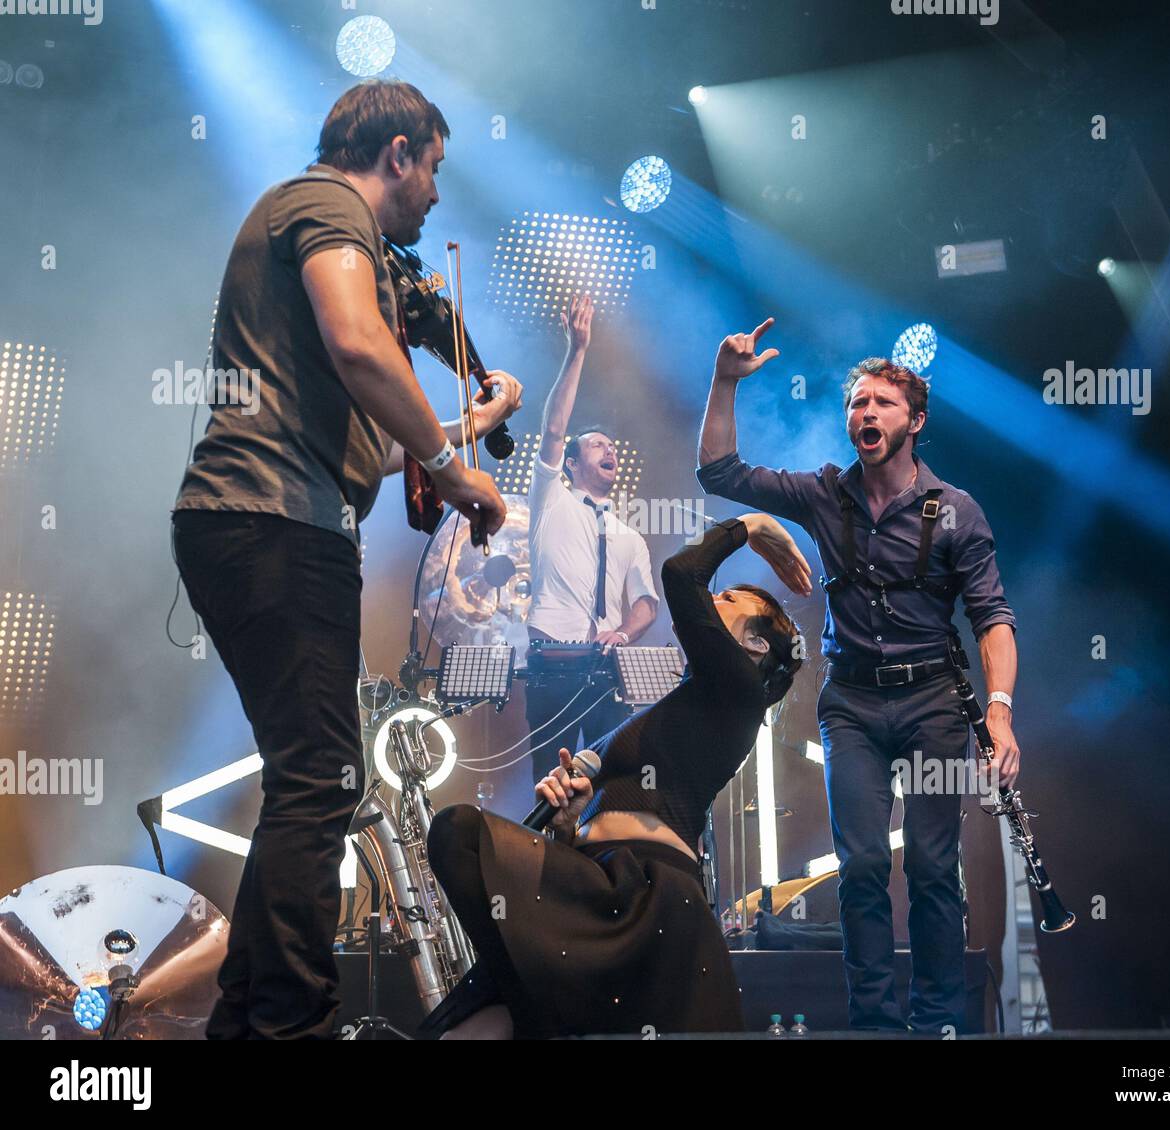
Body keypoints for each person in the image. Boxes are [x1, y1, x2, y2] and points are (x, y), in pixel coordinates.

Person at [171, 80, 518, 1039]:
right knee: (320, 779)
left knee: (308, 776)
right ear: (398, 152)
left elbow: (381, 397)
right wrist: (458, 471)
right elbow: (363, 344)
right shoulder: (326, 204)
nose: (437, 197)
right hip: (269, 521)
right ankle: (291, 1024)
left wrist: (470, 422)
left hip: (273, 523)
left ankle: (247, 1025)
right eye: (435, 169)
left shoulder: (331, 225)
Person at [696, 318, 1020, 1033]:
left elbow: (993, 617)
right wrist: (724, 381)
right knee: (864, 865)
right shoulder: (823, 494)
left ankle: (939, 1021)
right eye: (856, 403)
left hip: (936, 705)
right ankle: (874, 1024)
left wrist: (997, 710)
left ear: (916, 421)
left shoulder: (957, 512)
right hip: (853, 705)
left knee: (935, 869)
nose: (865, 414)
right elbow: (718, 472)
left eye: (882, 403)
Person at [417, 513, 811, 1038]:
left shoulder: (739, 692)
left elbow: (681, 572)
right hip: (593, 878)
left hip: (645, 892)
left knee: (460, 833)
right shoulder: (679, 706)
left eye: (731, 601)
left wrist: (754, 524)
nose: (714, 600)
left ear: (756, 646)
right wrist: (569, 824)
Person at [524, 293, 658, 783]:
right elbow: (555, 428)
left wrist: (623, 632)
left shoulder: (628, 536)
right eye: (598, 445)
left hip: (604, 672)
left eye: (613, 446)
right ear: (574, 464)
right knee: (552, 783)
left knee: (612, 782)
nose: (610, 450)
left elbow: (646, 602)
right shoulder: (551, 499)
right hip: (551, 667)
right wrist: (577, 351)